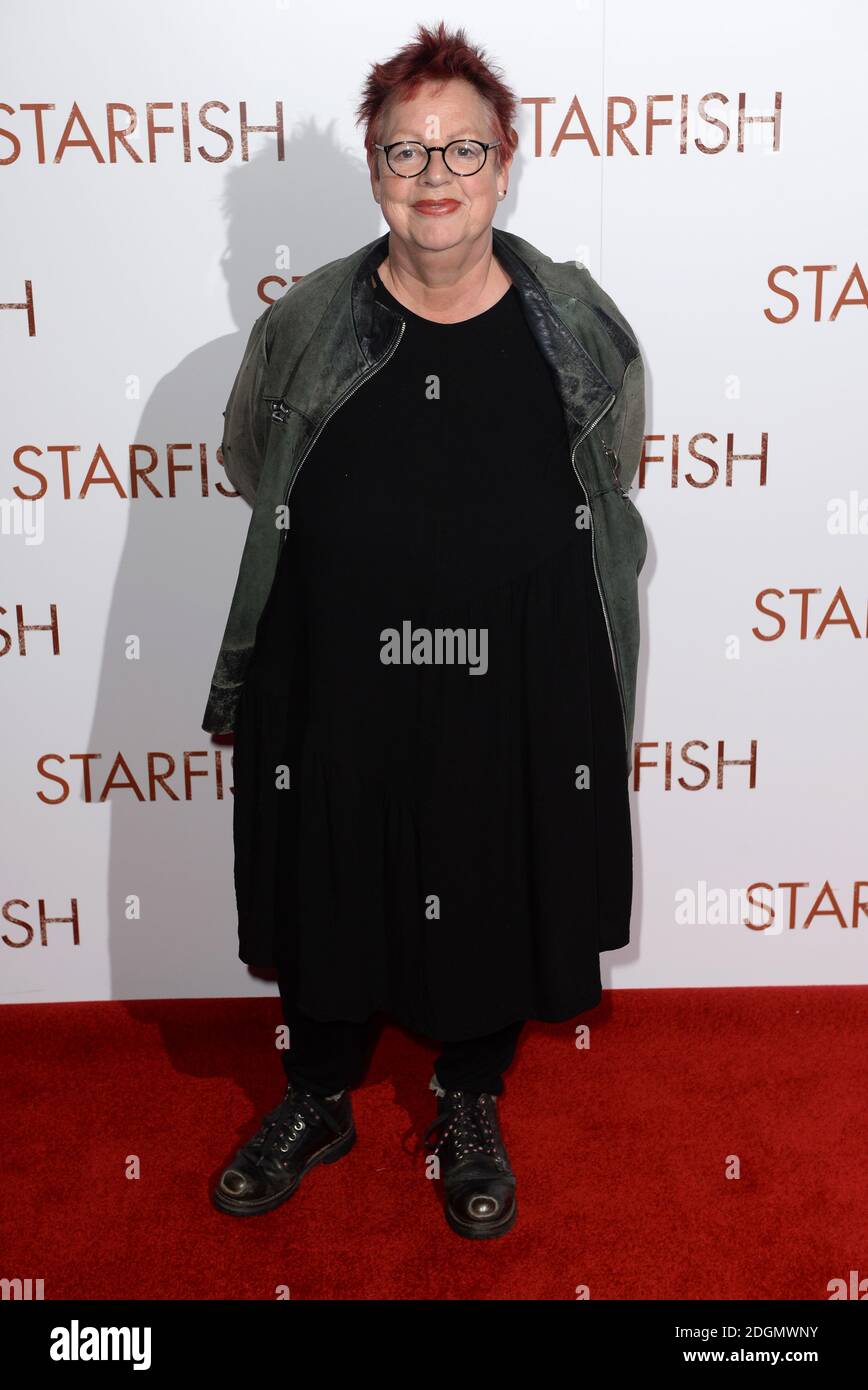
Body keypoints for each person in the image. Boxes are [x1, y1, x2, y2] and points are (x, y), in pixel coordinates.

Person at [208, 20, 647, 1240]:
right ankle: (320, 1092)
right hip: (336, 676)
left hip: (516, 681)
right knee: (330, 874)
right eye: (407, 154)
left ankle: (467, 1100)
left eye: (462, 150)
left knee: (493, 872)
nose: (436, 178)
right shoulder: (300, 325)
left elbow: (608, 471)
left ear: (506, 164)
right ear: (374, 172)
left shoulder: (576, 321)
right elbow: (257, 462)